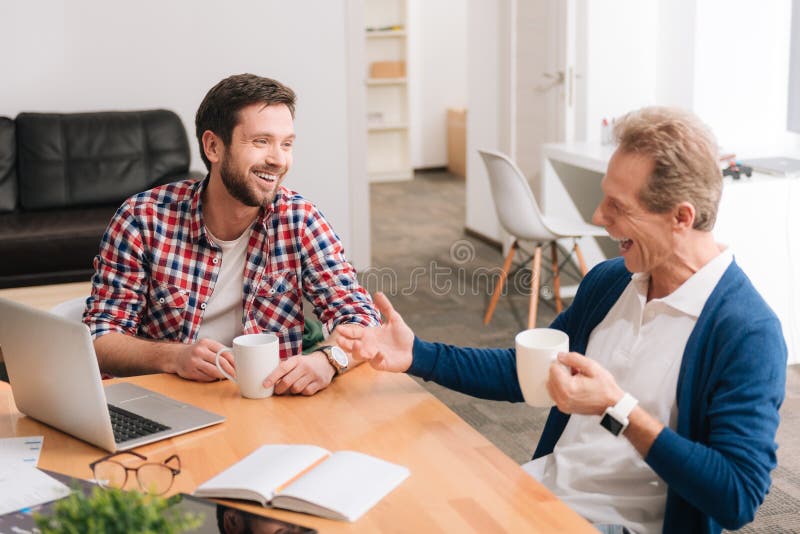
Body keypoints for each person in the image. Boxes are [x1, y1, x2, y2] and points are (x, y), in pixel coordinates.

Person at [338, 107, 787, 533]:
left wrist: (619, 409)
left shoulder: (746, 332)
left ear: (681, 218)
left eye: (617, 206)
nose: (597, 217)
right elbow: (527, 375)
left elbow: (737, 496)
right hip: (543, 492)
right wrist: (417, 354)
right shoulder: (612, 282)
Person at [84, 73, 379, 395]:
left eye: (287, 144)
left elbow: (360, 317)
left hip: (268, 402)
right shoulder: (142, 219)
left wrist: (329, 359)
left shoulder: (300, 220)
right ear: (213, 146)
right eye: (261, 141)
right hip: (170, 398)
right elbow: (101, 338)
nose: (278, 160)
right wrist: (174, 356)